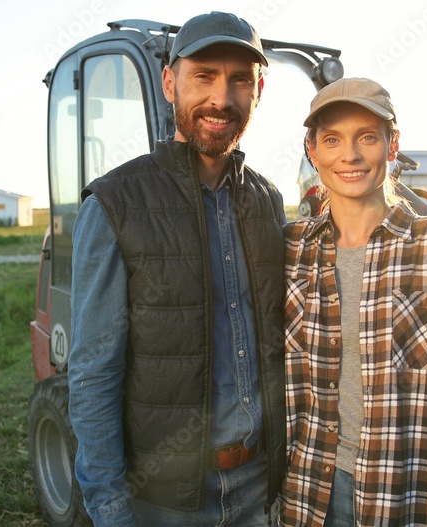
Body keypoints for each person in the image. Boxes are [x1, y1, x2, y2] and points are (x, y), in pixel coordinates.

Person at [68, 11, 288, 527]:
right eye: (204, 76)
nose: (221, 98)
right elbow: (94, 373)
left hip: (259, 488)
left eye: (239, 80)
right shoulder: (114, 205)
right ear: (170, 83)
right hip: (162, 502)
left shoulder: (268, 202)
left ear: (258, 90)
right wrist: (110, 507)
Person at [278, 78, 427, 526]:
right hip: (310, 494)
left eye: (367, 137)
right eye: (332, 140)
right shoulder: (291, 250)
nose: (350, 155)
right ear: (312, 150)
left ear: (392, 144)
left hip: (409, 496)